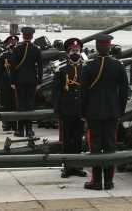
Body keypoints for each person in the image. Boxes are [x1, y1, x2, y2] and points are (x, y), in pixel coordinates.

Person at [81, 34, 128, 190]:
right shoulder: (118, 65)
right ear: (109, 47)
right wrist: (120, 110)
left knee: (94, 146)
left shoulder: (89, 66)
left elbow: (83, 92)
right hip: (112, 111)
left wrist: (84, 112)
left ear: (96, 47)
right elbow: (124, 92)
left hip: (93, 112)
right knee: (110, 145)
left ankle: (96, 181)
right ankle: (108, 181)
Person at [52, 37, 87, 178]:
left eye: (77, 50)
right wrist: (57, 109)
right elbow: (56, 91)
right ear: (67, 52)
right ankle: (67, 167)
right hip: (66, 109)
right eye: (73, 50)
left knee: (78, 139)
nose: (75, 52)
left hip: (80, 109)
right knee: (67, 140)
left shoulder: (85, 68)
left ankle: (77, 166)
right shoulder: (61, 69)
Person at [10, 27, 42, 137]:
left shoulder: (17, 48)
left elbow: (13, 66)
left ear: (23, 36)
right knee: (30, 105)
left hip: (19, 80)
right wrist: (39, 82)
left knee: (20, 105)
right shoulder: (36, 49)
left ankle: (20, 129)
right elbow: (40, 67)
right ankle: (29, 129)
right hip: (32, 80)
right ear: (32, 36)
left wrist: (12, 82)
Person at [0, 35, 19, 131]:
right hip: (6, 82)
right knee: (6, 104)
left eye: (14, 43)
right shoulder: (3, 55)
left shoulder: (19, 55)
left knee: (15, 104)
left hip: (16, 82)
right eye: (11, 43)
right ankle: (6, 123)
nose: (13, 44)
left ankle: (14, 124)